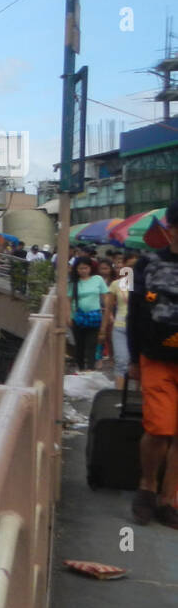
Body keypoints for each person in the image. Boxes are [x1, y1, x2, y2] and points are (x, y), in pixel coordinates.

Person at [127, 199, 178, 528]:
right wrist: (133, 359)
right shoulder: (142, 265)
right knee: (160, 429)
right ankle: (147, 486)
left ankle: (169, 500)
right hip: (156, 357)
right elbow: (133, 314)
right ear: (171, 229)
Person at [104, 251, 136, 389]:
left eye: (136, 266)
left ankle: (139, 396)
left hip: (139, 329)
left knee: (139, 363)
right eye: (130, 266)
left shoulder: (146, 284)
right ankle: (118, 395)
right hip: (120, 327)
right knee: (121, 361)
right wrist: (102, 330)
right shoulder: (116, 285)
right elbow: (108, 309)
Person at [69, 258, 108, 371]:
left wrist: (107, 312)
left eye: (85, 268)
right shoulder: (73, 283)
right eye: (80, 268)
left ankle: (90, 368)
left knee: (92, 344)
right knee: (79, 345)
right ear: (76, 269)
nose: (83, 270)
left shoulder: (98, 279)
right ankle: (80, 367)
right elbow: (68, 301)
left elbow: (105, 296)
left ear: (90, 268)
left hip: (94, 317)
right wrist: (68, 316)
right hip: (78, 317)